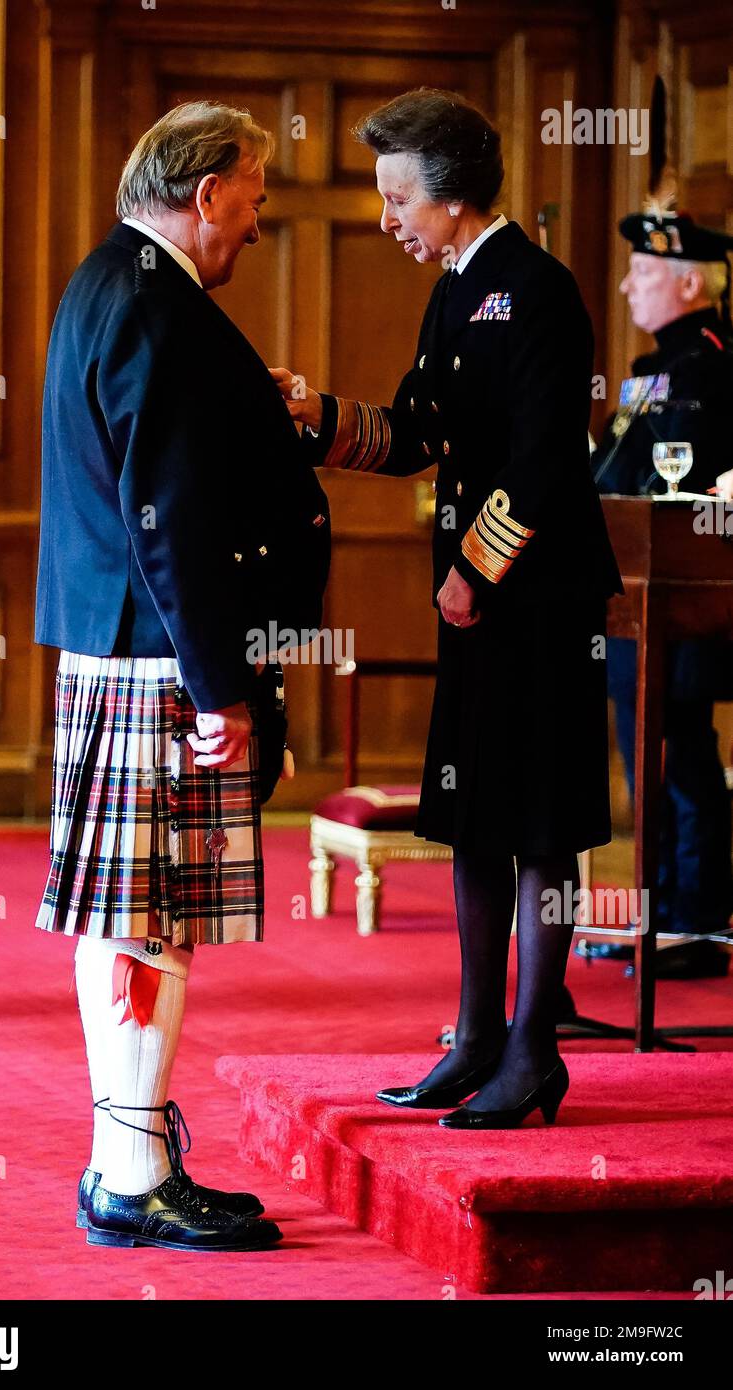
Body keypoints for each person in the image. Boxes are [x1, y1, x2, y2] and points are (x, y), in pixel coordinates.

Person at [272, 88, 623, 1130]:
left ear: (453, 193)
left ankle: (531, 1050)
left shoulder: (537, 287)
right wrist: (319, 420)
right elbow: (418, 431)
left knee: (539, 824)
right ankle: (473, 1040)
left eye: (395, 198)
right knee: (476, 820)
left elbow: (546, 460)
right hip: (476, 607)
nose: (385, 220)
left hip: (539, 598)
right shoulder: (453, 292)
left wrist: (474, 567)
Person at [33, 101, 330, 1249]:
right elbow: (168, 522)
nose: (255, 225)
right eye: (252, 199)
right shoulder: (157, 306)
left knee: (135, 919)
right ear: (205, 193)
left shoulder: (107, 282)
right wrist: (221, 689)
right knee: (146, 923)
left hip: (127, 648)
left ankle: (131, 1155)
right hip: (158, 657)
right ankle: (129, 1171)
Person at [589, 210, 733, 979]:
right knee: (643, 758)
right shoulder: (649, 369)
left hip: (688, 600)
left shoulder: (717, 363)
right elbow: (616, 477)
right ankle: (658, 912)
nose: (626, 285)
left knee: (684, 757)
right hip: (630, 596)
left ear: (687, 282)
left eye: (641, 273)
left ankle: (700, 923)